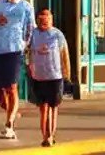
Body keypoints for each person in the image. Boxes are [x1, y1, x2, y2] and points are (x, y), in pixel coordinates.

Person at [0, 0, 35, 140]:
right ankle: (12, 112)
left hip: (15, 50)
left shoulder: (26, 7)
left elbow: (30, 28)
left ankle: (9, 123)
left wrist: (25, 44)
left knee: (12, 86)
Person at [27, 8, 71, 147]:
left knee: (53, 106)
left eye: (47, 19)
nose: (44, 22)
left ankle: (50, 135)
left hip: (55, 76)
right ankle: (45, 135)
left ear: (51, 19)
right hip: (39, 77)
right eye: (41, 19)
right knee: (43, 108)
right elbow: (26, 50)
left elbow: (64, 55)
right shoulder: (33, 34)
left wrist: (67, 73)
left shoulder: (57, 35)